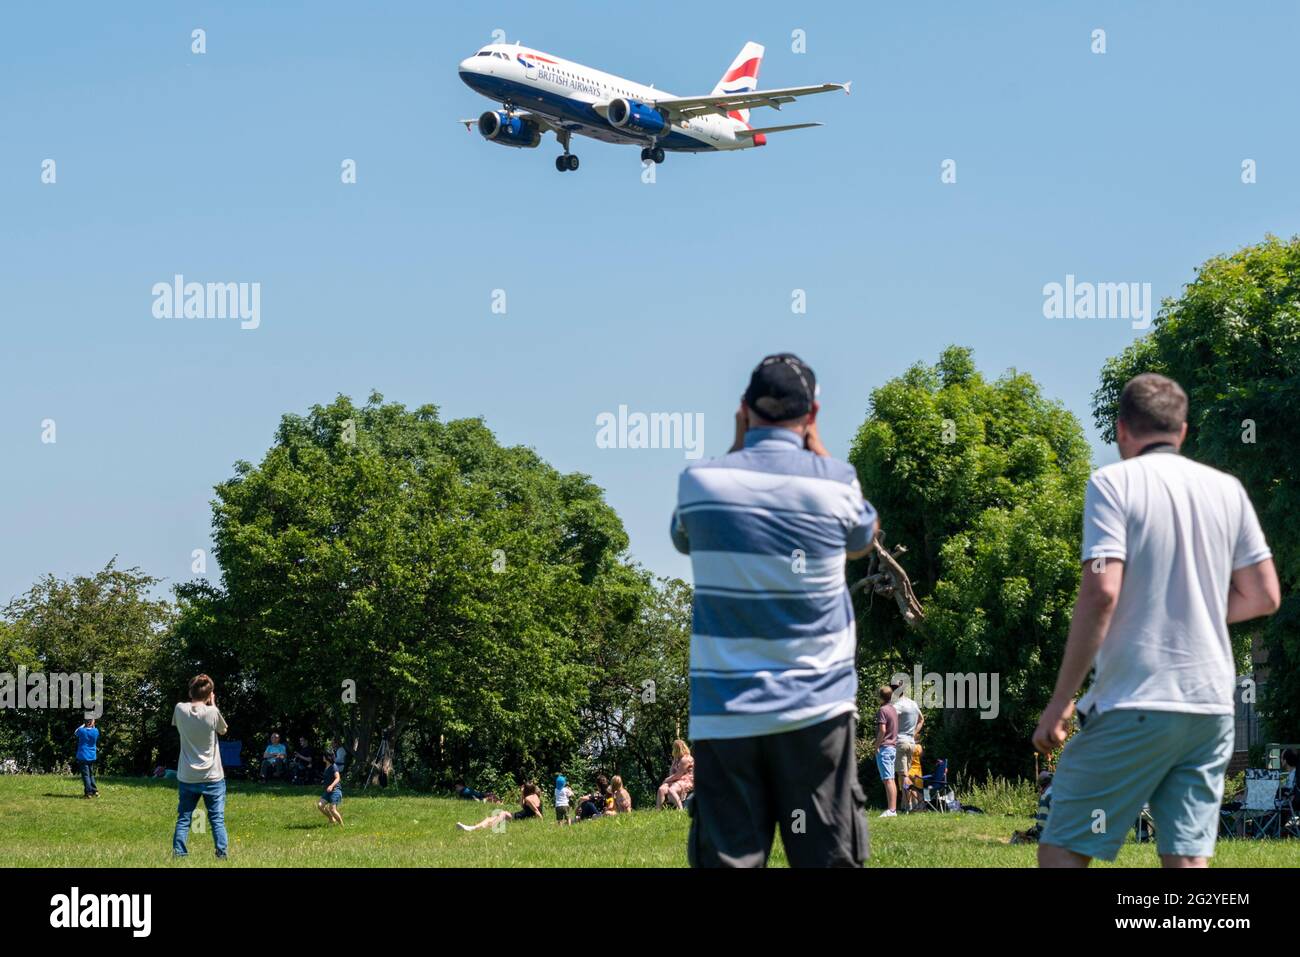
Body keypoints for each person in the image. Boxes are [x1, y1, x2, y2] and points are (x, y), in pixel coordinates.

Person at [1033, 373, 1280, 868]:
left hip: (1137, 699)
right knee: (1187, 861)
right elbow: (1264, 595)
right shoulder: (1226, 489)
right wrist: (1196, 607)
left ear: (1122, 430)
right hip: (1210, 706)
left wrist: (1061, 702)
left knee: (1064, 846)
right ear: (1183, 430)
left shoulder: (1112, 484)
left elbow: (1103, 591)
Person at [670, 353, 878, 867]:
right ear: (812, 413)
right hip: (816, 709)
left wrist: (736, 448)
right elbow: (863, 538)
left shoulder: (700, 483)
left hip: (726, 714)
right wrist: (821, 448)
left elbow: (682, 537)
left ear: (744, 410)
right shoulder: (837, 483)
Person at [171, 674, 230, 859]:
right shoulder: (213, 712)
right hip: (212, 775)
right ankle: (221, 854)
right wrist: (212, 704)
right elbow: (223, 729)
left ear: (190, 691)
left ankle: (179, 853)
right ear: (210, 694)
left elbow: (177, 724)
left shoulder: (180, 709)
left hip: (187, 775)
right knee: (216, 819)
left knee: (184, 817)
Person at [456, 783, 542, 831]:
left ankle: (485, 828)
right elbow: (525, 807)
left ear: (526, 790)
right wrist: (522, 794)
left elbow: (537, 813)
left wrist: (540, 824)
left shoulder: (528, 798)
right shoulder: (535, 796)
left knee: (502, 814)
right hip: (517, 815)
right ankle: (472, 828)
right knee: (489, 818)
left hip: (517, 817)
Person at [892, 683, 923, 813]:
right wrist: (913, 734)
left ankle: (914, 803)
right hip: (911, 743)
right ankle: (910, 806)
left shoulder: (896, 705)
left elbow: (889, 724)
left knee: (903, 775)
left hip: (900, 742)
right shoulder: (913, 703)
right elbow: (921, 720)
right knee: (904, 775)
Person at [873, 685, 899, 818]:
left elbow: (882, 730)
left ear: (880, 697)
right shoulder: (893, 709)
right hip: (893, 747)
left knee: (888, 780)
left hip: (885, 747)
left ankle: (892, 810)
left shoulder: (882, 710)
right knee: (890, 779)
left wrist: (876, 745)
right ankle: (892, 809)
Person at [656, 740, 694, 810]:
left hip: (687, 780)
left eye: (674, 748)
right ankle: (657, 810)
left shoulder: (685, 759)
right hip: (677, 780)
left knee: (671, 790)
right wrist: (673, 764)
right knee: (661, 789)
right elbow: (672, 773)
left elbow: (678, 775)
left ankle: (680, 810)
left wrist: (666, 780)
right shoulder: (677, 759)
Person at [73, 717, 100, 799]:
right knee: (91, 774)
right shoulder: (96, 731)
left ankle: (88, 793)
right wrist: (91, 724)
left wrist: (83, 724)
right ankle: (95, 791)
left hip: (83, 755)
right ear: (91, 723)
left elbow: (75, 732)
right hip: (92, 755)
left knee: (86, 775)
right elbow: (94, 728)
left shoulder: (82, 731)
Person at [318, 753, 343, 825]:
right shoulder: (327, 766)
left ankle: (342, 826)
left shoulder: (333, 766)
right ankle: (331, 819)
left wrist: (331, 786)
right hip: (328, 791)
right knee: (320, 805)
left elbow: (338, 778)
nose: (323, 757)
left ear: (327, 757)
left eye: (324, 756)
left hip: (335, 791)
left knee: (332, 809)